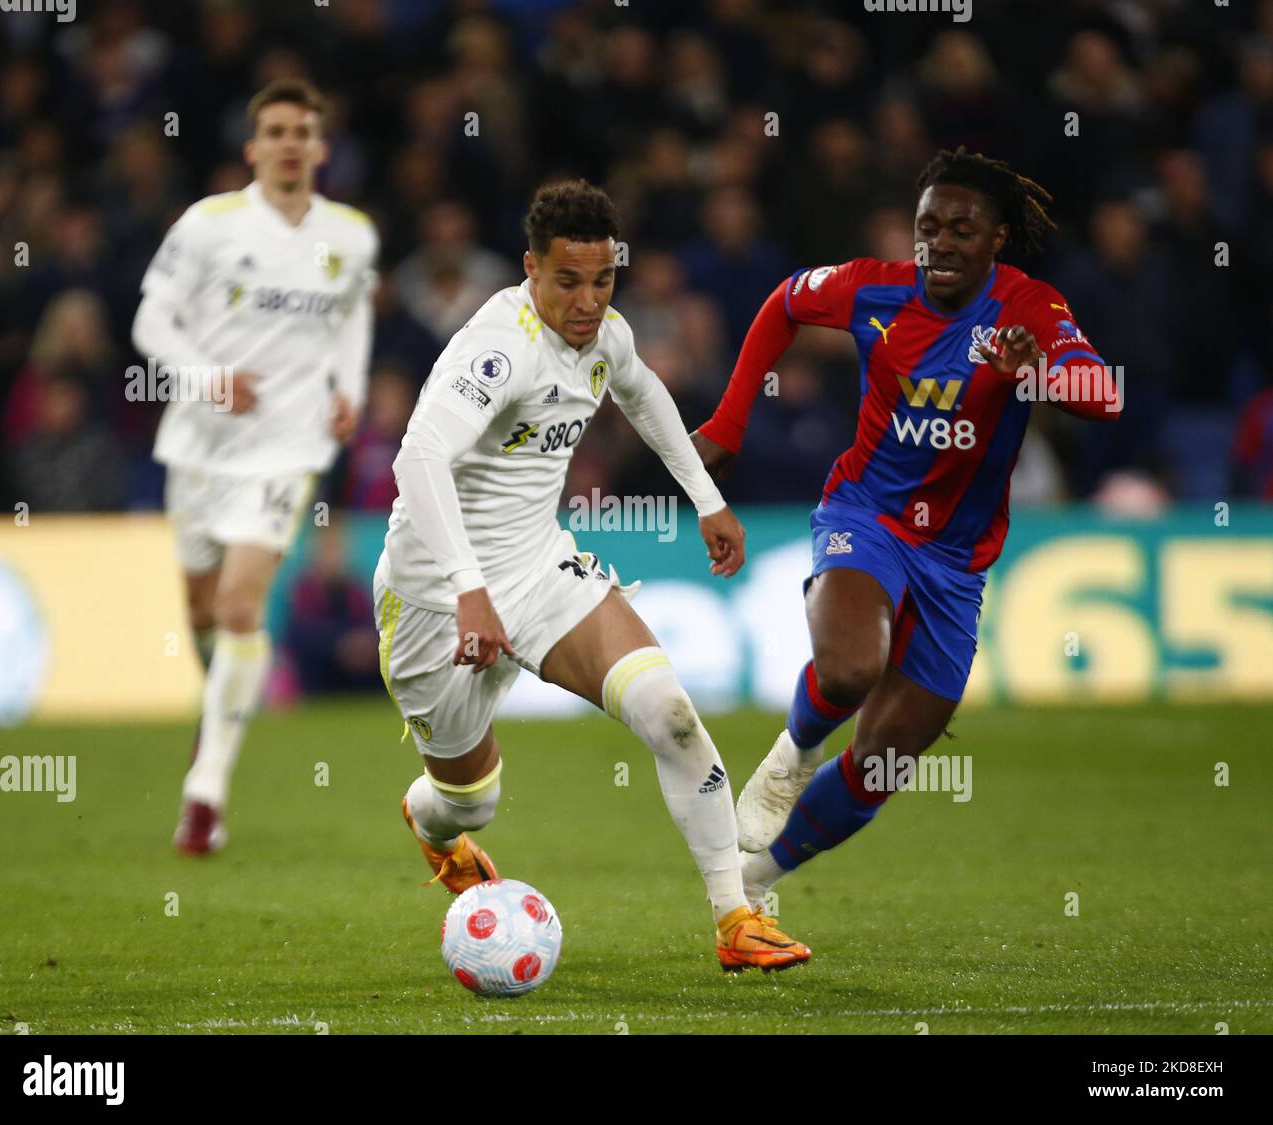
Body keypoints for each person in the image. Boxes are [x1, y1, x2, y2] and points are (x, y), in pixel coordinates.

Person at [376, 179, 809, 972]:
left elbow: (643, 396)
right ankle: (429, 819)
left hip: (541, 571)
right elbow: (418, 458)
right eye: (568, 281)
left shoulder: (605, 334)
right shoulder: (497, 350)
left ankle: (735, 918)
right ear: (529, 268)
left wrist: (707, 501)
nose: (587, 301)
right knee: (474, 800)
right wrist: (469, 590)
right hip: (439, 595)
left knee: (669, 713)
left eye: (603, 280)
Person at [691, 149, 1119, 909]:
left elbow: (1104, 396)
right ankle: (793, 750)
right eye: (929, 227)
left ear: (997, 240)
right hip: (868, 517)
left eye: (963, 228)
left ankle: (755, 883)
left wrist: (1039, 374)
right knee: (851, 668)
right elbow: (785, 301)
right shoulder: (873, 290)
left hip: (957, 562)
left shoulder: (1030, 309)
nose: (942, 243)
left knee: (882, 768)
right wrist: (728, 420)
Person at [132, 79, 378, 854]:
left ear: (320, 146)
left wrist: (350, 388)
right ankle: (218, 715)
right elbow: (149, 318)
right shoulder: (209, 226)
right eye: (275, 130)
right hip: (201, 448)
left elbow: (353, 312)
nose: (289, 143)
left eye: (303, 131)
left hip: (287, 449)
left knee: (242, 607)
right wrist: (208, 380)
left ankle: (205, 793)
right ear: (253, 146)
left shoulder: (352, 235)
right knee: (203, 613)